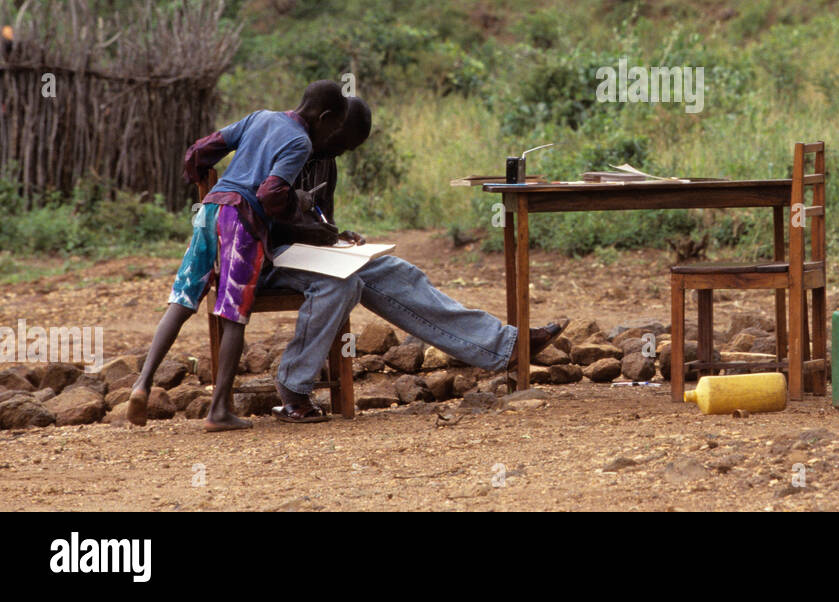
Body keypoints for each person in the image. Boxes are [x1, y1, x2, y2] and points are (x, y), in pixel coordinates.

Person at [266, 96, 565, 422]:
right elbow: (259, 215)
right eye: (341, 143)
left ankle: (504, 348)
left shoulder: (326, 158)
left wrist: (335, 234)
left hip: (311, 253)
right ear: (327, 124)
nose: (342, 153)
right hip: (269, 256)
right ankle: (293, 389)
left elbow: (320, 217)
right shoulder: (285, 148)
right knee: (342, 283)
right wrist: (311, 233)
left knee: (397, 272)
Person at [129, 80, 348, 431]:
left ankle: (141, 384)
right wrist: (300, 202)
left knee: (183, 300)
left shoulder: (259, 117)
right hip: (240, 223)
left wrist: (202, 179)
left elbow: (200, 150)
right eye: (333, 126)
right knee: (234, 315)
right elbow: (270, 194)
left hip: (209, 210)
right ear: (323, 117)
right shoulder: (300, 142)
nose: (331, 134)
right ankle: (218, 411)